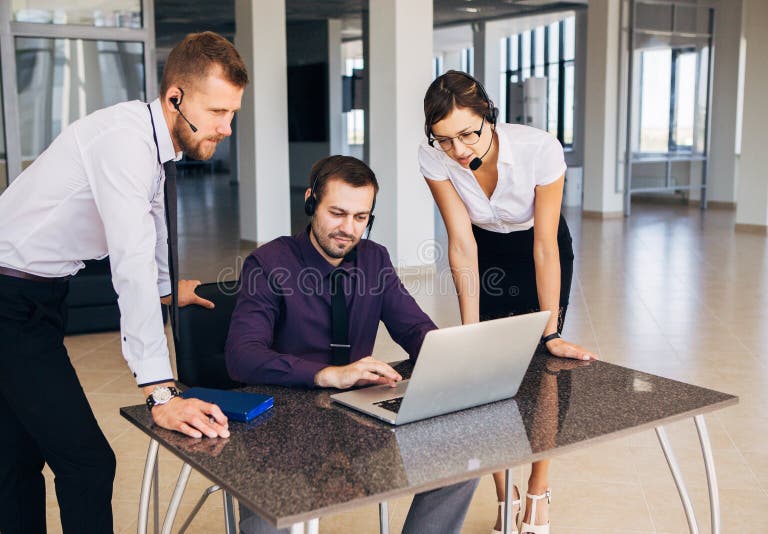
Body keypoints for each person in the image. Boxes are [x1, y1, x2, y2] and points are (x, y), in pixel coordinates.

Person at [0, 32, 244, 533]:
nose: (227, 127)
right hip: (5, 297)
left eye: (233, 113)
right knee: (89, 462)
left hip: (40, 290)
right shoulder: (124, 144)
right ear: (175, 97)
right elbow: (130, 262)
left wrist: (168, 286)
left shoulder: (155, 140)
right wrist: (160, 392)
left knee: (20, 446)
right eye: (219, 111)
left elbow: (152, 222)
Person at [225, 155, 479, 534]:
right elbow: (242, 357)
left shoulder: (374, 260)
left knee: (464, 459)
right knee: (268, 523)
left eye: (361, 218)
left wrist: (455, 360)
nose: (348, 229)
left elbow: (413, 327)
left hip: (358, 417)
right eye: (337, 213)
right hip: (282, 421)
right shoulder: (268, 263)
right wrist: (328, 374)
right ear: (311, 201)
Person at [418, 71, 599, 534]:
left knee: (543, 371)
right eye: (445, 140)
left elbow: (544, 246)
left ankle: (538, 490)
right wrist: (472, 333)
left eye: (468, 134)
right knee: (487, 376)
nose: (459, 151)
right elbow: (461, 243)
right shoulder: (435, 158)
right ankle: (505, 494)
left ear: (488, 115)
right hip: (486, 249)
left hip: (540, 248)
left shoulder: (539, 149)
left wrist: (551, 330)